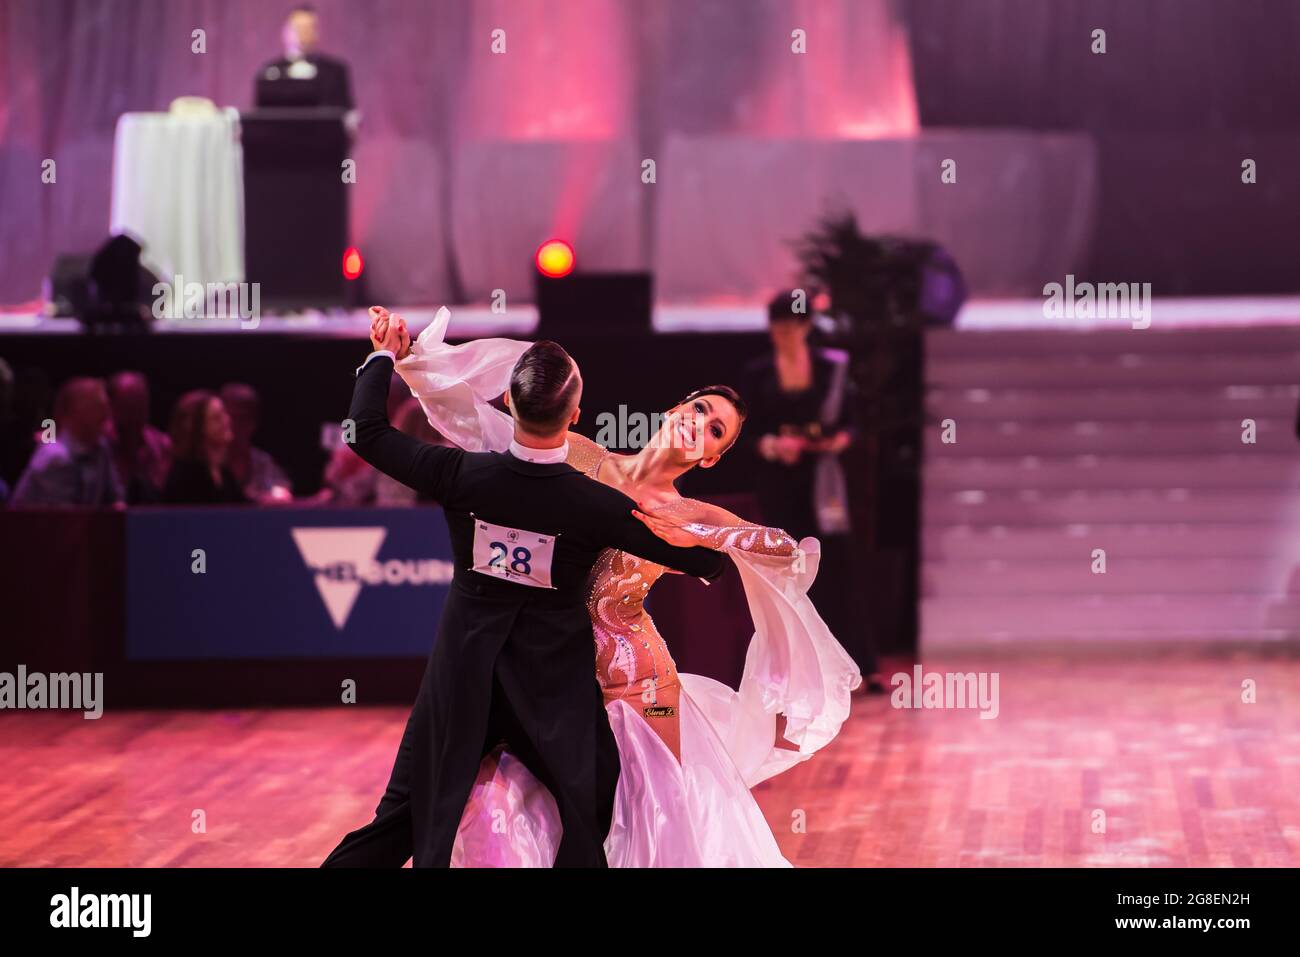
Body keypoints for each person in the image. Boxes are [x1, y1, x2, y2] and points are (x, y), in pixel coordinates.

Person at [384, 305, 862, 866]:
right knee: (500, 810)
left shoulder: (692, 510)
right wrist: (411, 358)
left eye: (715, 431)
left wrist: (701, 531)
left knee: (654, 822)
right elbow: (477, 425)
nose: (699, 423)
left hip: (640, 691)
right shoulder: (580, 455)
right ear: (673, 410)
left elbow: (786, 550)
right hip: (548, 675)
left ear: (710, 457)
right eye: (700, 409)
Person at [321, 310, 728, 868]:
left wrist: (382, 356)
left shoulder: (461, 476)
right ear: (576, 416)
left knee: (401, 820)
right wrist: (730, 546)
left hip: (462, 679)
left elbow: (367, 432)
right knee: (589, 815)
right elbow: (700, 558)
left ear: (508, 404)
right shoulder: (596, 504)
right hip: (551, 695)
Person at [743, 291, 885, 692]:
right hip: (778, 483)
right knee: (787, 572)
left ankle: (860, 666)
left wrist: (839, 440)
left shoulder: (831, 369)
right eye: (777, 325)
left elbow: (853, 424)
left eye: (791, 325)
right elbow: (744, 432)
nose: (783, 333)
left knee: (838, 568)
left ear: (806, 327)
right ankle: (795, 678)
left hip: (823, 483)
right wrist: (772, 445)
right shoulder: (758, 373)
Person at [10, 377, 123, 507]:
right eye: (99, 407)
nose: (107, 414)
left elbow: (116, 500)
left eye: (107, 407)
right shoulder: (54, 457)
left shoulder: (101, 449)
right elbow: (64, 521)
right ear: (76, 411)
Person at [254, 5, 354, 110]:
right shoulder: (269, 73)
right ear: (285, 32)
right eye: (298, 28)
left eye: (309, 28)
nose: (303, 33)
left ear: (317, 31)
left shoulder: (334, 72)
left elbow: (345, 115)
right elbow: (261, 117)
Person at [161, 391, 249, 505]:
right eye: (217, 418)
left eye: (225, 413)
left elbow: (241, 507)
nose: (227, 420)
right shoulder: (185, 476)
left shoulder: (224, 472)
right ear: (198, 427)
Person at [219, 383, 292, 501]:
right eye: (231, 418)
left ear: (253, 422)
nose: (235, 426)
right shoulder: (208, 464)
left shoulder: (263, 463)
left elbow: (282, 492)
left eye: (242, 419)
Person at [107, 371, 171, 504]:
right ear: (111, 406)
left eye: (140, 403)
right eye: (129, 405)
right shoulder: (100, 444)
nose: (136, 412)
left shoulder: (161, 444)